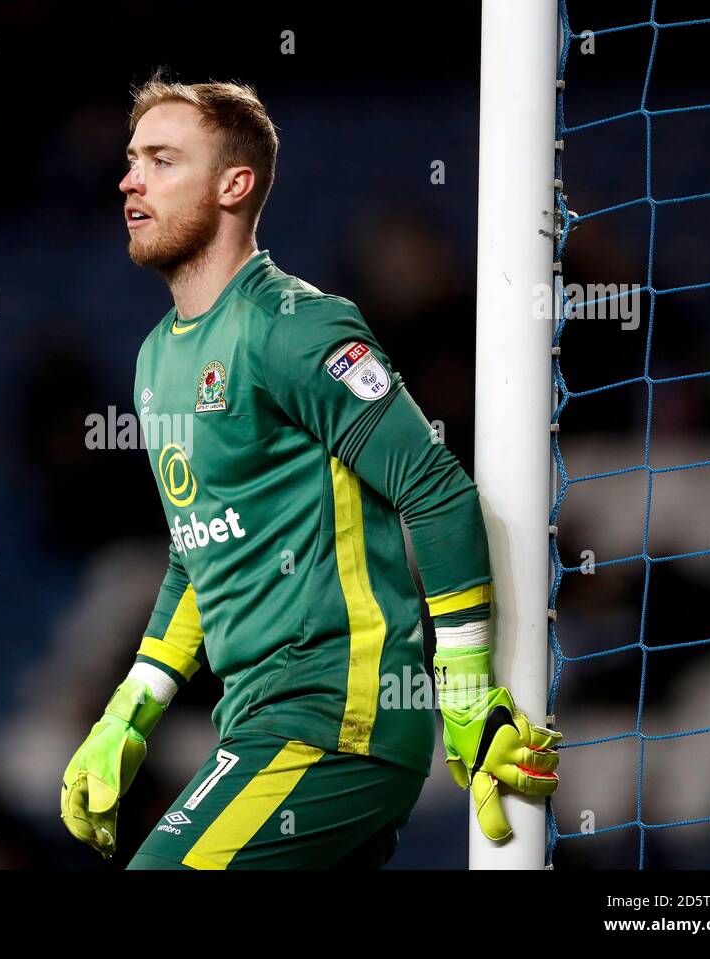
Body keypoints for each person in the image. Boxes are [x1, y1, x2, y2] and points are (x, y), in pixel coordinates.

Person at [60, 74, 561, 869]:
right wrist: (128, 712)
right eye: (130, 160)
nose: (129, 179)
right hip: (259, 721)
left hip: (334, 720)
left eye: (160, 159)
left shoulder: (294, 327)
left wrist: (464, 687)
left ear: (235, 183)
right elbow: (200, 551)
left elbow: (434, 491)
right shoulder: (157, 356)